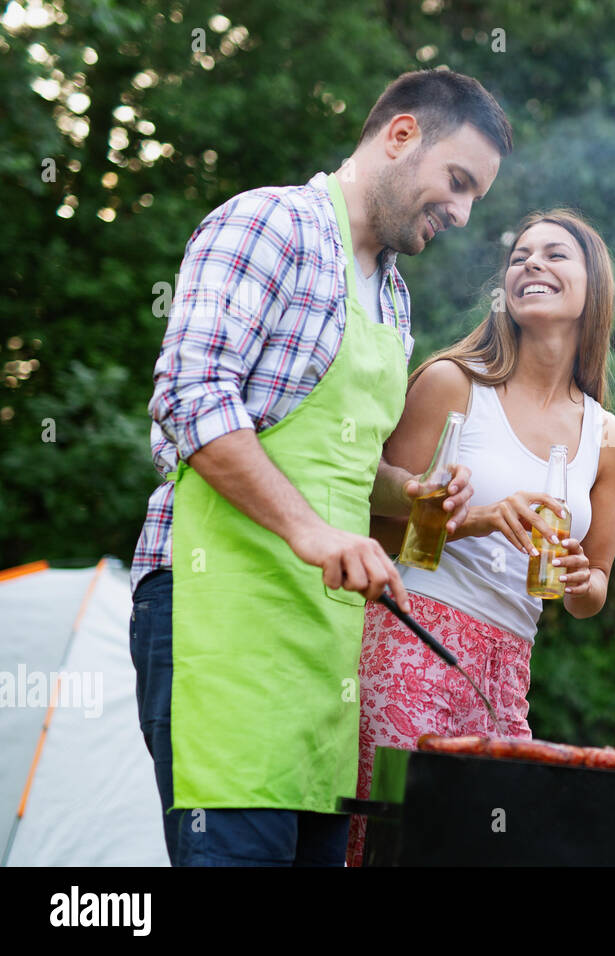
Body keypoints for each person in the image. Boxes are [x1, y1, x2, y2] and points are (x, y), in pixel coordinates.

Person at [129, 69, 512, 866]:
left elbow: (339, 458)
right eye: (458, 182)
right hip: (220, 608)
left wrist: (412, 493)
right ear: (401, 135)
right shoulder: (271, 224)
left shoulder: (395, 299)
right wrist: (308, 531)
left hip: (324, 652)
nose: (464, 212)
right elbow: (192, 396)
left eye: (477, 196)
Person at [347, 208, 615, 866]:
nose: (531, 262)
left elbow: (593, 590)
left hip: (510, 667)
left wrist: (582, 580)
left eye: (555, 254)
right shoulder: (454, 384)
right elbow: (375, 522)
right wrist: (477, 516)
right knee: (398, 843)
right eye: (520, 255)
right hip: (413, 637)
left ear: (594, 289)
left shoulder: (608, 438)